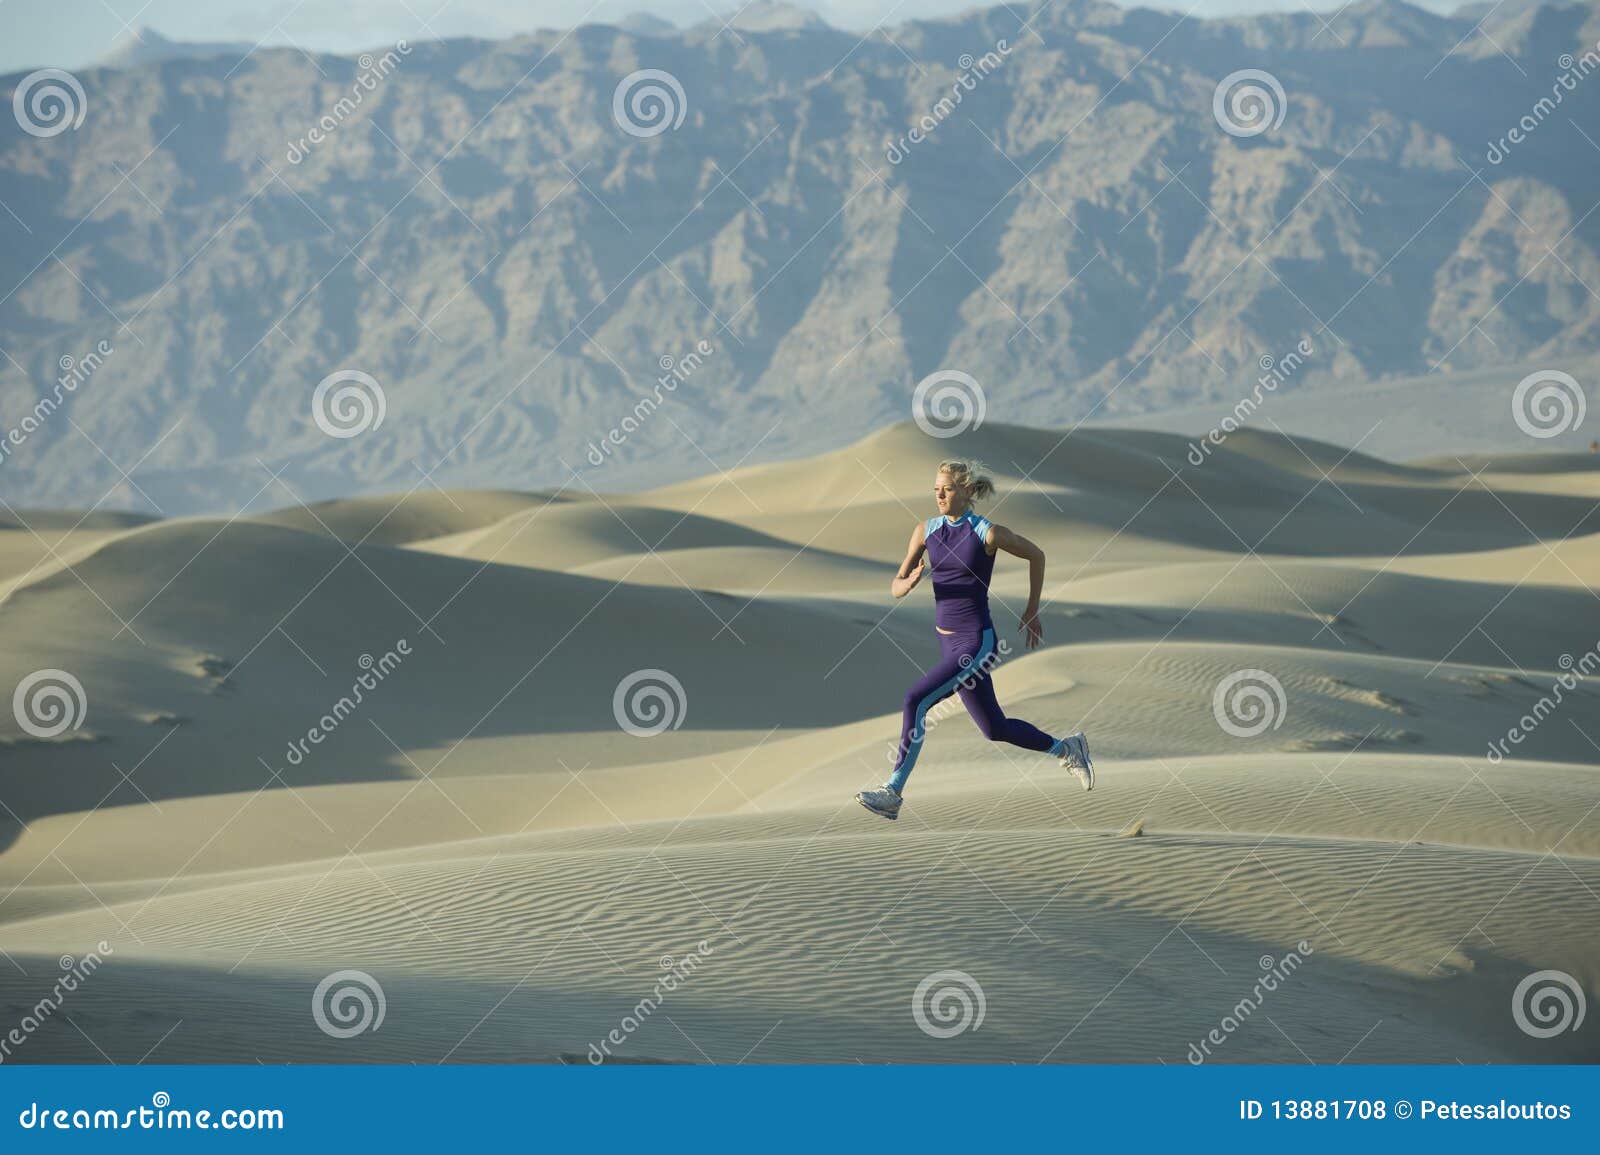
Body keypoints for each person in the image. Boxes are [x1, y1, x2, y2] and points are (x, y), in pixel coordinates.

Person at [855, 458, 1093, 820]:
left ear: (966, 491)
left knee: (915, 701)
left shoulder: (987, 533)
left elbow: (1037, 555)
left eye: (946, 489)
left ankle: (894, 791)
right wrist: (908, 582)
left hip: (976, 644)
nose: (939, 495)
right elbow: (896, 585)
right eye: (935, 489)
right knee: (994, 729)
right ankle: (1067, 749)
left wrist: (1032, 610)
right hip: (947, 642)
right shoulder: (925, 531)